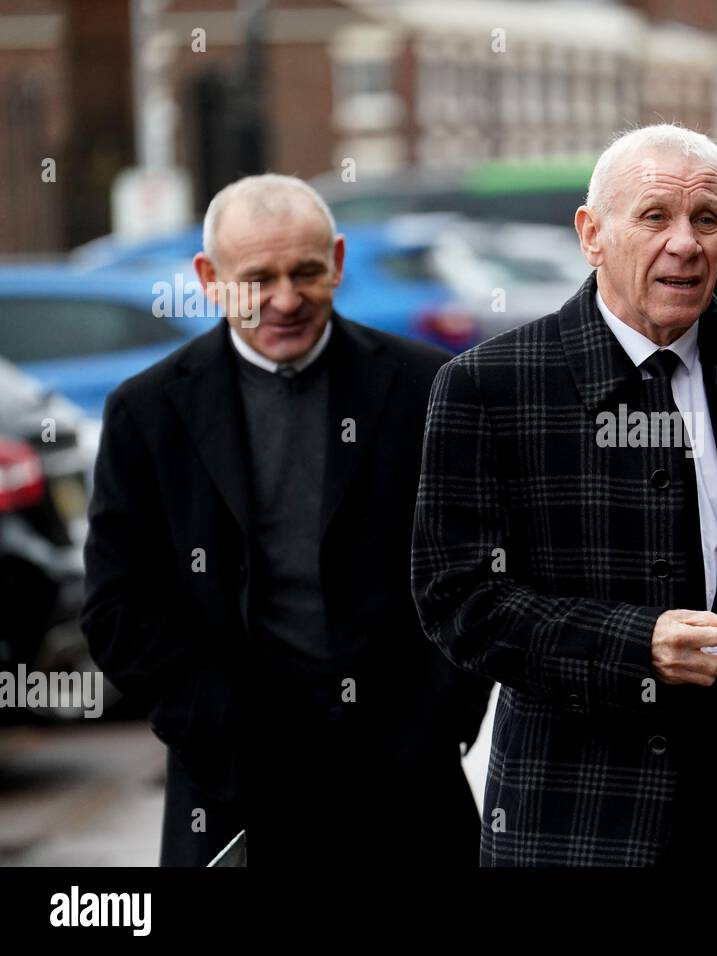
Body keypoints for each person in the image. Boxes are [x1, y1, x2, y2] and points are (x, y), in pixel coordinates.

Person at [411, 124, 717, 866]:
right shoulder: (487, 387)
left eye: (707, 219)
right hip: (581, 820)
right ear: (591, 235)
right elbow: (459, 602)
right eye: (655, 217)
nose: (685, 244)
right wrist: (638, 648)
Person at [81, 174, 490, 866]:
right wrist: (216, 730)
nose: (286, 299)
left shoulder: (428, 387)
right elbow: (119, 609)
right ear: (208, 277)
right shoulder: (146, 413)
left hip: (408, 786)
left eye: (306, 271)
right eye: (257, 278)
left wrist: (439, 719)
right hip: (232, 787)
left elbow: (476, 572)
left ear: (336, 259)